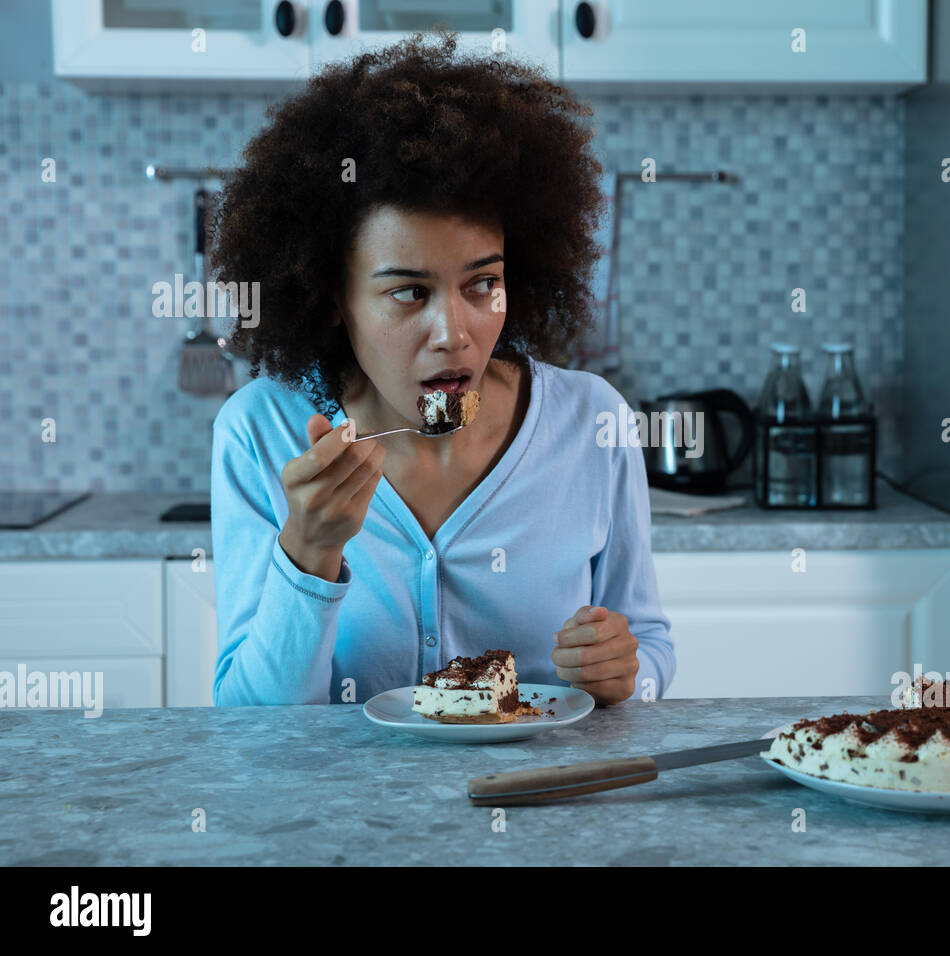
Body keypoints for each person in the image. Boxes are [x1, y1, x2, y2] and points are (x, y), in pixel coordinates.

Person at [207, 32, 673, 707]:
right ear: (334, 299)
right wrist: (308, 551)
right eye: (408, 293)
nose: (453, 333)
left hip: (541, 807)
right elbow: (251, 723)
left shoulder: (593, 421)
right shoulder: (258, 432)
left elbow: (650, 647)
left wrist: (629, 674)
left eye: (483, 285)